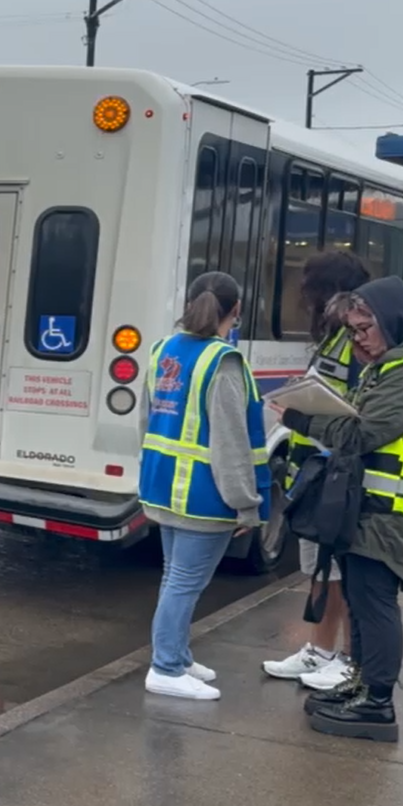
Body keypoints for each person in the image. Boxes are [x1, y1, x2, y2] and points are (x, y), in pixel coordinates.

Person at [279, 276, 403, 742]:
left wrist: (301, 417)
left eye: (365, 329)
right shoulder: (389, 365)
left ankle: (377, 702)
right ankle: (363, 685)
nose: (358, 339)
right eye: (352, 330)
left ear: (392, 321)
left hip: (391, 509)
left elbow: (363, 433)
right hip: (369, 506)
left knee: (374, 602)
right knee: (362, 604)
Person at [139, 271, 272, 701]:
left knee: (174, 577)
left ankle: (174, 655)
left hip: (163, 486)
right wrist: (248, 505)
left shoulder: (163, 349)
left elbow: (147, 420)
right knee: (183, 582)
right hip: (204, 494)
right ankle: (165, 668)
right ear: (236, 310)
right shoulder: (224, 361)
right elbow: (232, 442)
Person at [262, 251, 371, 688]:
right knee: (320, 570)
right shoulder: (334, 339)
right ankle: (320, 650)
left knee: (339, 572)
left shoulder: (352, 341)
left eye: (310, 287)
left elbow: (355, 407)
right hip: (315, 470)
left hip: (335, 471)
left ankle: (343, 656)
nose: (304, 297)